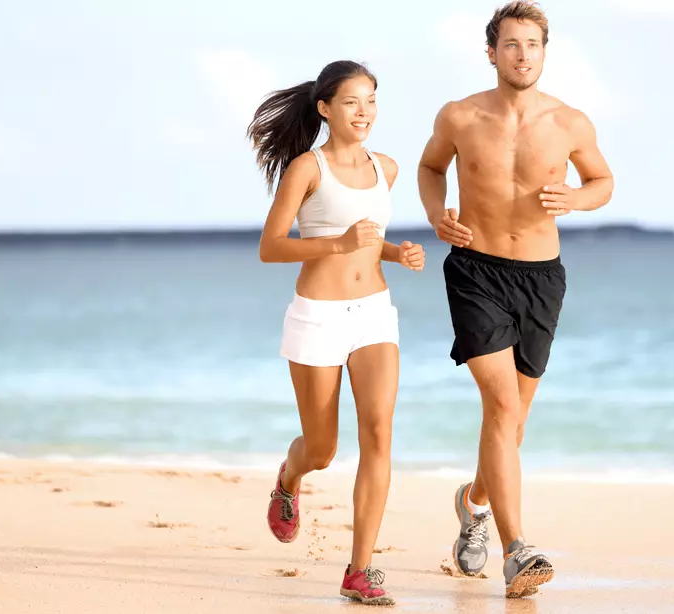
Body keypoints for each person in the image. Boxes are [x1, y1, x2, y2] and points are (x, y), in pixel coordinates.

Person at [416, 1, 614, 599]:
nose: (522, 54)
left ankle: (473, 502)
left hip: (541, 277)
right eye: (511, 44)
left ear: (544, 51)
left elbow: (603, 181)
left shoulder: (570, 122)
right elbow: (431, 167)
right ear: (491, 52)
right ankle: (517, 549)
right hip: (475, 271)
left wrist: (574, 201)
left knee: (513, 421)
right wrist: (436, 215)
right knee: (501, 406)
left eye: (533, 44)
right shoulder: (460, 115)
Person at [248, 60, 425, 606]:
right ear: (325, 108)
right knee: (322, 448)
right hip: (318, 317)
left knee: (378, 435)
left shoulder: (386, 168)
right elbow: (271, 247)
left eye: (371, 100)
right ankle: (289, 476)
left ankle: (360, 569)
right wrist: (338, 244)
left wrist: (398, 252)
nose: (364, 111)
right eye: (352, 101)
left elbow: (368, 241)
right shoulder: (307, 168)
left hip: (374, 313)